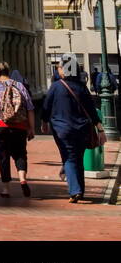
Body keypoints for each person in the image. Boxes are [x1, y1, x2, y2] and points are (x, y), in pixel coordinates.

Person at [41, 53, 104, 203]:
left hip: (62, 130)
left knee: (69, 157)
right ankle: (79, 190)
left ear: (64, 70)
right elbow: (92, 110)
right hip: (82, 129)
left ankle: (75, 190)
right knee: (77, 159)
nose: (58, 70)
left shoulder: (56, 87)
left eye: (60, 67)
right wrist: (100, 128)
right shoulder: (82, 88)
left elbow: (45, 107)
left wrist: (44, 122)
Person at [0, 62, 35, 198]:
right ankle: (22, 178)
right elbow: (29, 108)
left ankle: (6, 188)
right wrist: (31, 128)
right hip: (19, 125)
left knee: (3, 156)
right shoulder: (19, 85)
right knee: (20, 154)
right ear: (8, 71)